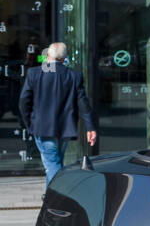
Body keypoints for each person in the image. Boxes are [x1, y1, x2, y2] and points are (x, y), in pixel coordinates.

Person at [19, 42, 97, 184]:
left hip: (43, 129)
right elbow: (83, 103)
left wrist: (30, 124)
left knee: (52, 165)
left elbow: (24, 102)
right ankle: (50, 194)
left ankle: (59, 194)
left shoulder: (34, 73)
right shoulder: (74, 75)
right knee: (56, 163)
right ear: (64, 58)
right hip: (65, 129)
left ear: (48, 55)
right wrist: (90, 127)